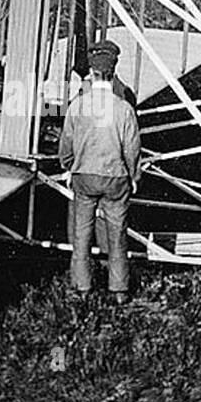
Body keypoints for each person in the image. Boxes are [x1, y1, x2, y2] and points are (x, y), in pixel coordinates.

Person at [59, 40, 141, 302]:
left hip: (84, 177)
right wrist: (133, 175)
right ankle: (118, 290)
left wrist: (69, 167)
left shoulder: (77, 106)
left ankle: (82, 289)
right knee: (117, 235)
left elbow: (66, 144)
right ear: (113, 74)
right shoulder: (125, 109)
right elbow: (132, 149)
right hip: (116, 177)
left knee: (81, 234)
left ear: (91, 74)